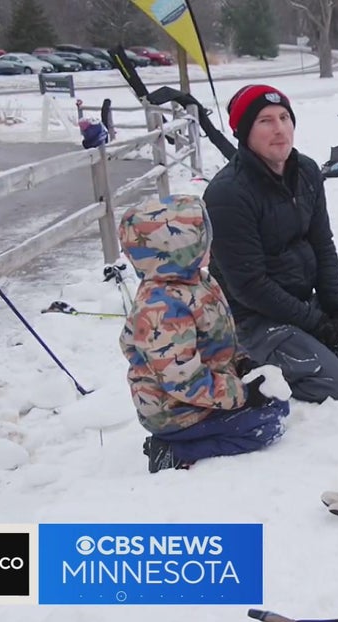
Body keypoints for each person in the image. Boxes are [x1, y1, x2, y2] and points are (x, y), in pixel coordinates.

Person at [204, 84, 338, 405]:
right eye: (265, 121)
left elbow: (322, 244)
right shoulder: (227, 195)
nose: (279, 129)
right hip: (253, 317)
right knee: (335, 383)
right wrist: (318, 325)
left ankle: (307, 338)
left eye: (284, 117)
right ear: (245, 132)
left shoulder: (305, 171)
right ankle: (245, 361)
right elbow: (249, 286)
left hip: (303, 300)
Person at [119, 194, 289, 474]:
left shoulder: (199, 281)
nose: (210, 242)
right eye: (201, 237)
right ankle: (172, 451)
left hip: (205, 391)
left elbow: (223, 334)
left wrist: (243, 362)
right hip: (174, 411)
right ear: (176, 248)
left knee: (276, 403)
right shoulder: (161, 308)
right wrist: (242, 393)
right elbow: (182, 380)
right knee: (267, 424)